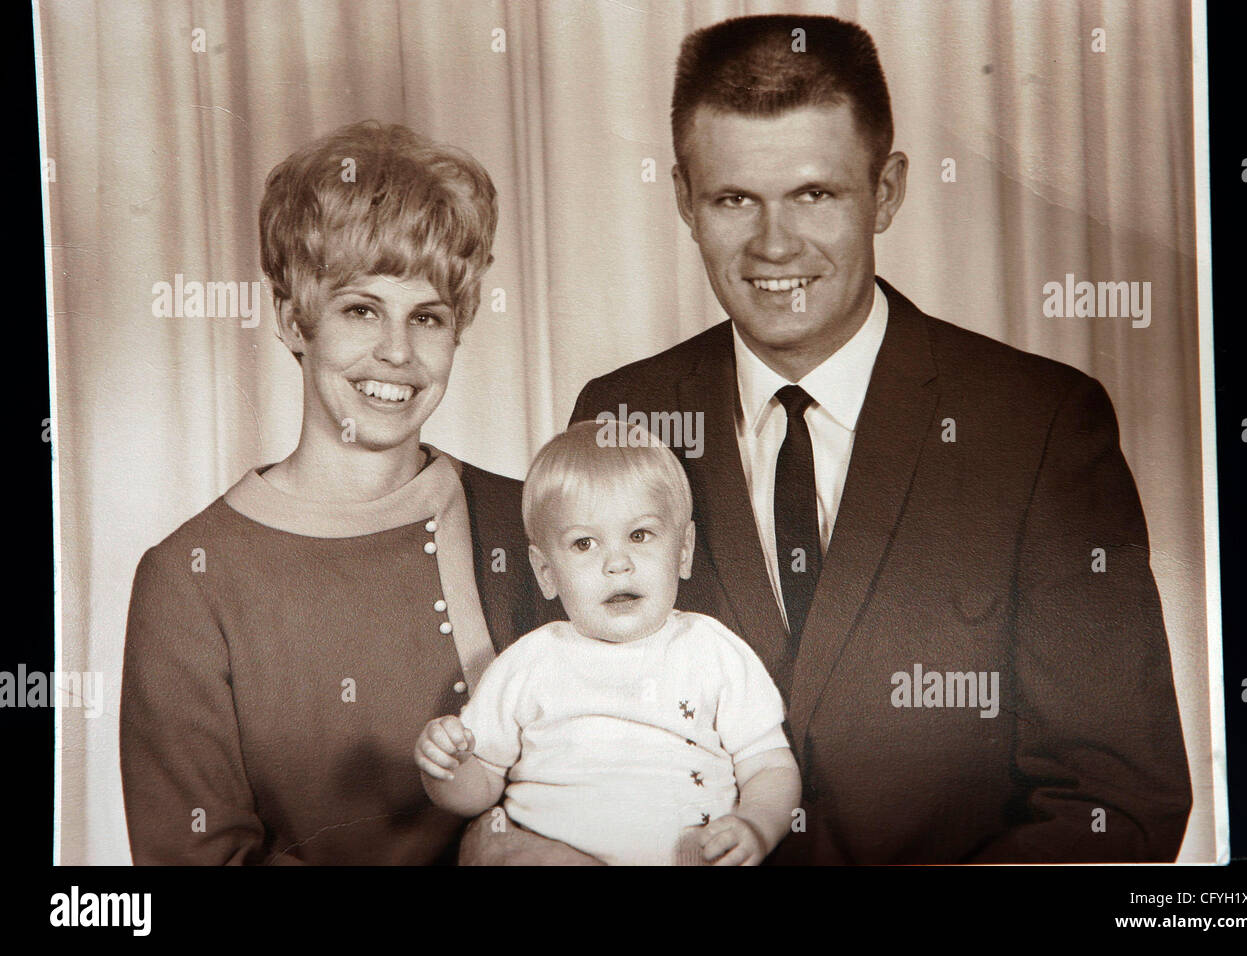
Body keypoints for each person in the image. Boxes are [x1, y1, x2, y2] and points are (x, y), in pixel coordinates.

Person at [547, 14, 1191, 863]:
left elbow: (1117, 800)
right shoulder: (623, 415)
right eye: (735, 198)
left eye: (816, 194)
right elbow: (562, 727)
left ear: (886, 191)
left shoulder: (1038, 425)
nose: (775, 245)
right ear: (683, 202)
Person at [120, 121, 549, 864]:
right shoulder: (190, 579)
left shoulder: (531, 522)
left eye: (428, 317)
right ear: (294, 320)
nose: (397, 352)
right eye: (360, 309)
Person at [414, 421, 801, 865]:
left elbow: (769, 765)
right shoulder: (530, 662)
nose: (617, 563)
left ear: (684, 550)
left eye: (639, 535)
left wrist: (756, 825)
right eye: (584, 543)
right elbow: (478, 791)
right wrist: (447, 767)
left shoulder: (710, 648)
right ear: (545, 572)